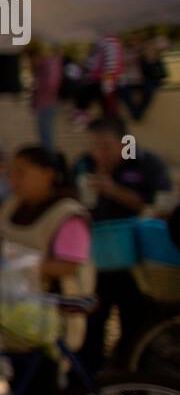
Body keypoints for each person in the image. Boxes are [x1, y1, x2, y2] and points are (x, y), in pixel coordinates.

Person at [0, 146, 94, 395]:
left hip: (50, 323)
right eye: (12, 172)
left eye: (22, 172)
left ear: (48, 173)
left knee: (43, 393)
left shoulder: (67, 214)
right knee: (22, 386)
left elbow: (70, 262)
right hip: (14, 320)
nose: (14, 180)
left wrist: (21, 265)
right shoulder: (12, 208)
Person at [72, 115, 172, 370]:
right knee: (93, 320)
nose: (99, 153)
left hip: (137, 261)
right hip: (98, 257)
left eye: (105, 146)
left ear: (124, 142)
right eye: (94, 146)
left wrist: (114, 190)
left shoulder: (146, 164)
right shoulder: (85, 165)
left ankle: (134, 384)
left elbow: (159, 208)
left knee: (136, 324)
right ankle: (88, 382)